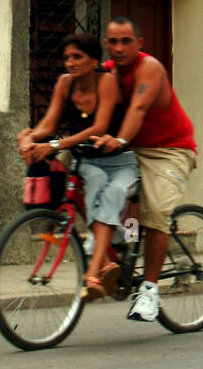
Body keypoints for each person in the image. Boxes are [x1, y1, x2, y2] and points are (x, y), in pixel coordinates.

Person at [16, 32, 138, 302]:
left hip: (121, 163)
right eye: (67, 58)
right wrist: (30, 138)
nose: (70, 63)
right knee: (92, 184)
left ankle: (94, 272)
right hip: (88, 161)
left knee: (113, 192)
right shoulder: (64, 83)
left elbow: (99, 127)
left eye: (77, 57)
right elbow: (48, 124)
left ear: (94, 60)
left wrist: (56, 146)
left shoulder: (106, 82)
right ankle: (107, 259)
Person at [92, 16, 197, 322]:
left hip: (169, 150)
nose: (119, 48)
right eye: (113, 41)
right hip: (130, 150)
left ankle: (149, 291)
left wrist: (120, 138)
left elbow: (138, 108)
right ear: (105, 44)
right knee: (83, 174)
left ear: (139, 44)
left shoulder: (149, 68)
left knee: (155, 214)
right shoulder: (106, 74)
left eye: (126, 41)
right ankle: (110, 240)